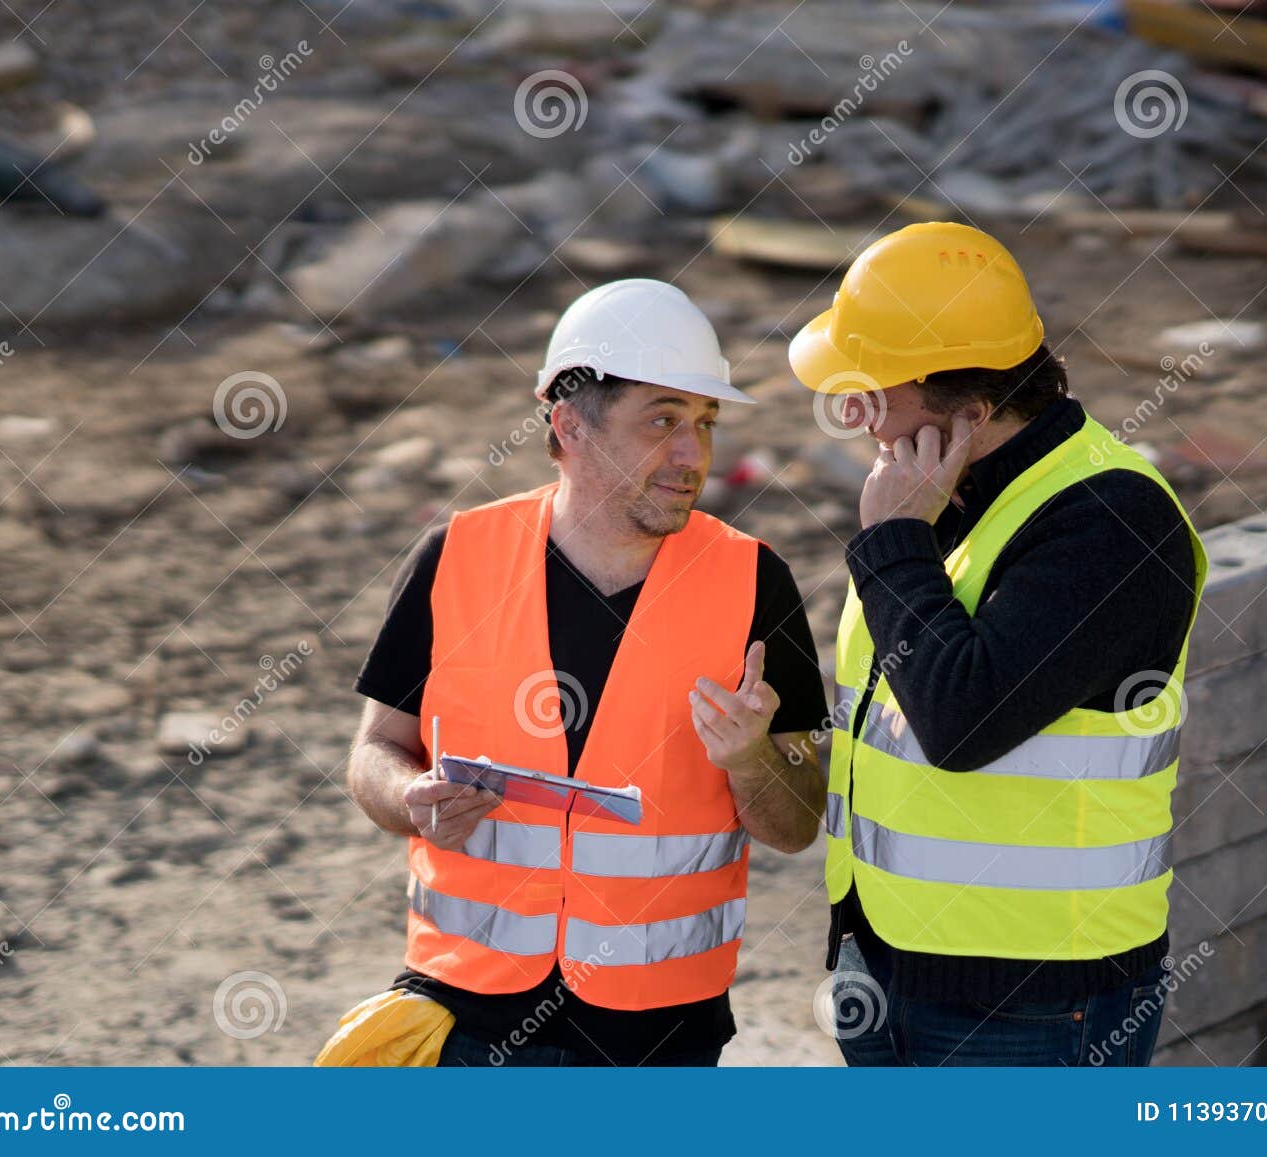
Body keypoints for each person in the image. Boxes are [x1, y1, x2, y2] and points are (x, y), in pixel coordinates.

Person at [346, 278, 827, 1067]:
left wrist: (751, 759)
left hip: (659, 1039)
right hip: (465, 1021)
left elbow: (798, 823)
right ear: (569, 424)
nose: (693, 454)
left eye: (705, 423)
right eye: (663, 420)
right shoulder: (455, 558)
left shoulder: (754, 581)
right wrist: (409, 798)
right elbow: (375, 750)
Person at [790, 222, 1208, 1067]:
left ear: (972, 411)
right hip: (888, 960)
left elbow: (965, 718)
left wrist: (895, 543)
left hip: (1033, 1005)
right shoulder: (949, 491)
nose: (857, 416)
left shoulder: (1111, 521)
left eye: (877, 393)